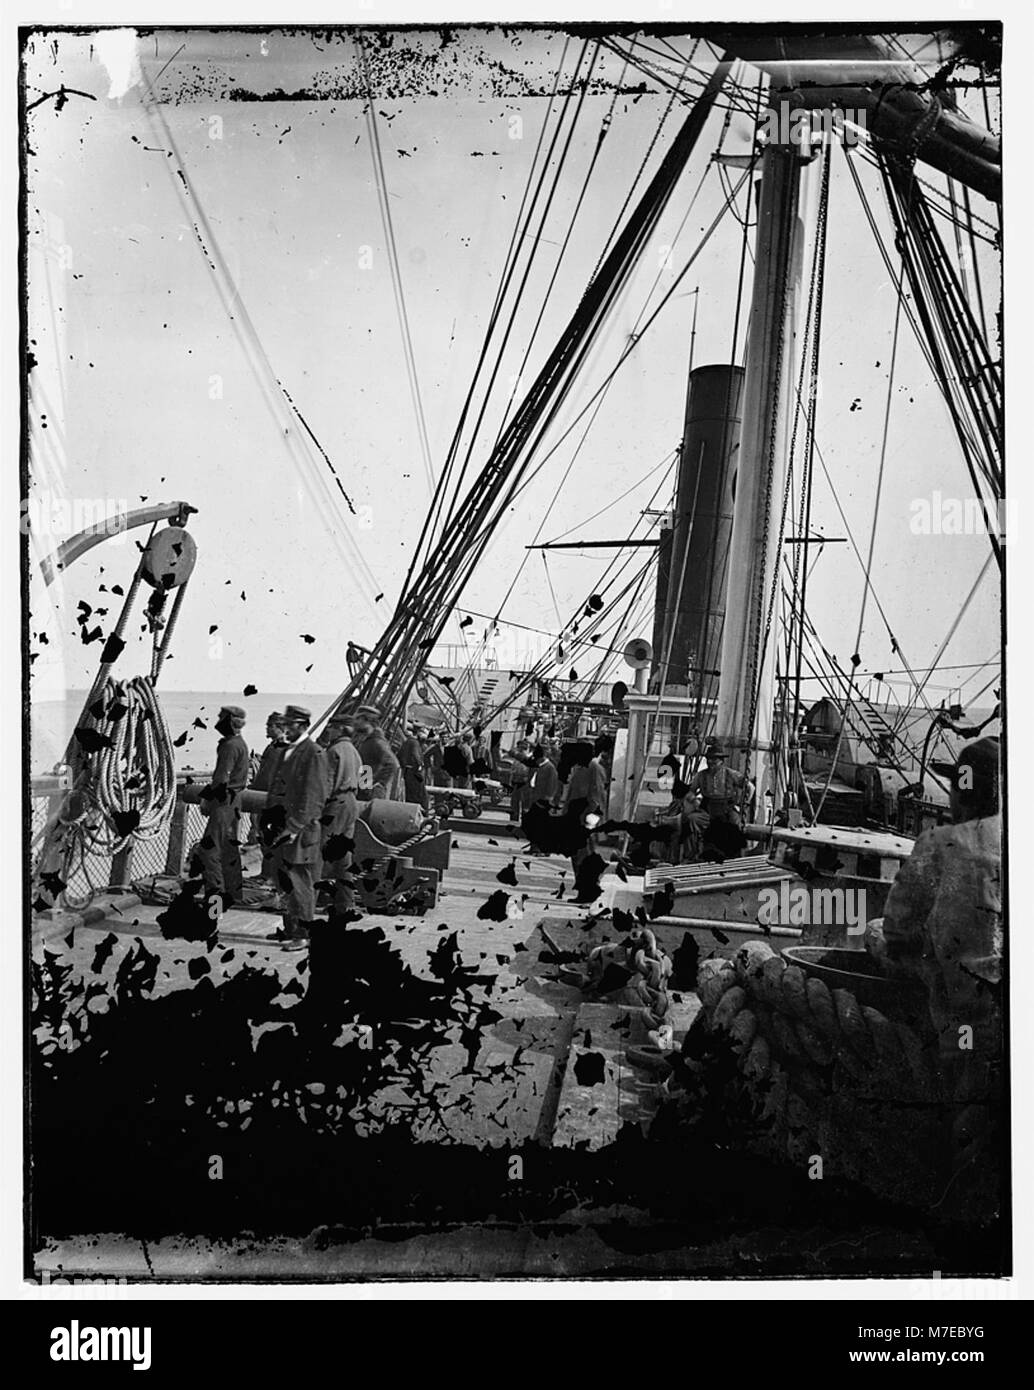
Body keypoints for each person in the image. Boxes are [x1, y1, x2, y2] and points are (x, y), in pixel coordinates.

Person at [265, 704, 328, 949]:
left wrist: (294, 828)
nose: (286, 729)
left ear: (302, 726)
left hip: (298, 831)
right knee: (283, 880)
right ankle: (290, 929)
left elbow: (314, 797)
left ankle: (303, 934)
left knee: (300, 881)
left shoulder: (314, 753)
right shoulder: (286, 751)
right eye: (284, 725)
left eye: (290, 725)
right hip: (281, 827)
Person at [193, 705, 250, 910]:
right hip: (234, 803)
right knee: (228, 849)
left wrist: (207, 799)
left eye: (221, 717)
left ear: (230, 721)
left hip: (223, 803)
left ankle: (214, 903)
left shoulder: (229, 746)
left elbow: (221, 779)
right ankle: (233, 895)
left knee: (209, 852)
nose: (217, 720)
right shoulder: (239, 744)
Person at [318, 712, 363, 923]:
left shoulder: (333, 751)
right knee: (344, 857)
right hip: (352, 803)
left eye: (332, 727)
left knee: (317, 853)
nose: (329, 730)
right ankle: (345, 905)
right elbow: (365, 781)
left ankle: (308, 905)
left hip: (336, 805)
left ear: (341, 730)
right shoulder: (354, 751)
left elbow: (324, 786)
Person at [680, 741, 753, 861]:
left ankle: (734, 859)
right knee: (691, 820)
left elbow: (750, 787)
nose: (710, 762)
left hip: (726, 810)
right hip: (707, 809)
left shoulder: (731, 774)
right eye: (709, 759)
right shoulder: (701, 775)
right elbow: (689, 791)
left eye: (714, 760)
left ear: (721, 761)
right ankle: (691, 856)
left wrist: (744, 804)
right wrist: (694, 800)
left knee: (736, 826)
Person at [354, 704, 401, 800]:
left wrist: (379, 783)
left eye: (359, 719)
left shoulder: (376, 742)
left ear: (367, 720)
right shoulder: (366, 740)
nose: (355, 722)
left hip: (371, 794)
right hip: (363, 789)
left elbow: (392, 763)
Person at [398, 723, 428, 809]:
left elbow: (399, 756)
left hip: (407, 771)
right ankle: (421, 812)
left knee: (410, 794)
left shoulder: (407, 742)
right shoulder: (414, 743)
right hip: (414, 772)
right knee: (419, 794)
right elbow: (416, 757)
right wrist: (420, 767)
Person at [507, 738, 532, 827]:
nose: (521, 750)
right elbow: (512, 770)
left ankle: (525, 820)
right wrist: (510, 781)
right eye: (520, 748)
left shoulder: (529, 758)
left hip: (525, 782)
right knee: (514, 801)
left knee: (525, 802)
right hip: (515, 781)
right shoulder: (516, 759)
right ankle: (514, 819)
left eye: (523, 748)